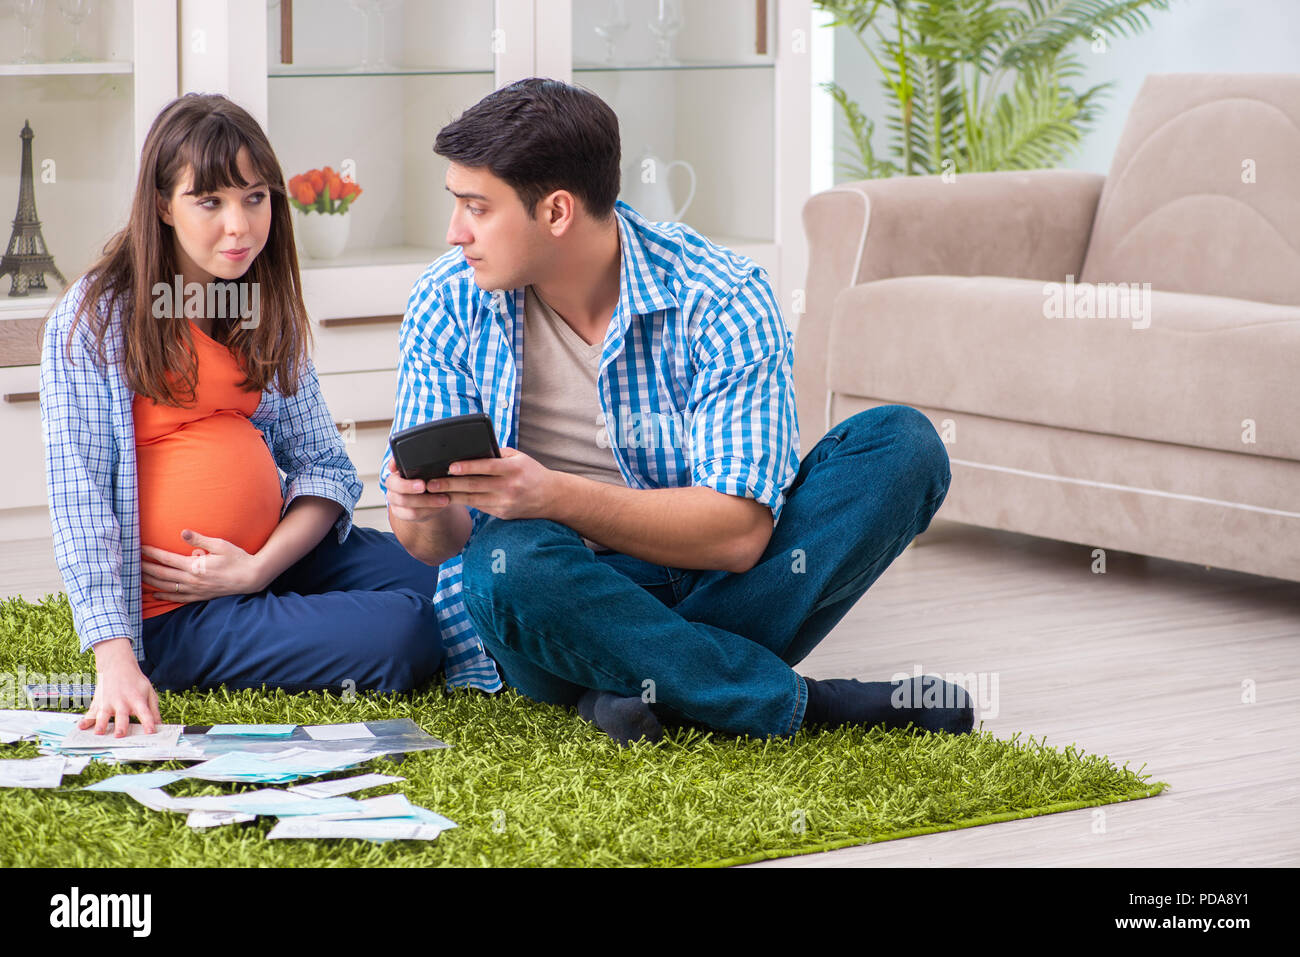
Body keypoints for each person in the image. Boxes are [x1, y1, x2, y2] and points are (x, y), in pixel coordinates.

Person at [382, 78, 973, 745]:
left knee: (903, 445)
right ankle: (805, 703)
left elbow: (739, 535)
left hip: (713, 572)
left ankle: (620, 687)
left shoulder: (720, 293)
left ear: (555, 212)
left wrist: (552, 494)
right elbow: (442, 547)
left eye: (476, 207)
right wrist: (417, 511)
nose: (454, 231)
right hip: (555, 593)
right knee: (505, 563)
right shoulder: (446, 300)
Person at [41, 93, 443, 738]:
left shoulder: (255, 301)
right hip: (174, 611)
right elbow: (79, 497)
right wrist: (115, 659)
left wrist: (257, 569)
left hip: (271, 561)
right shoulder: (95, 319)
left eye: (255, 198)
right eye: (210, 201)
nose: (240, 226)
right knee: (406, 632)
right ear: (161, 207)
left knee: (458, 570)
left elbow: (324, 466)